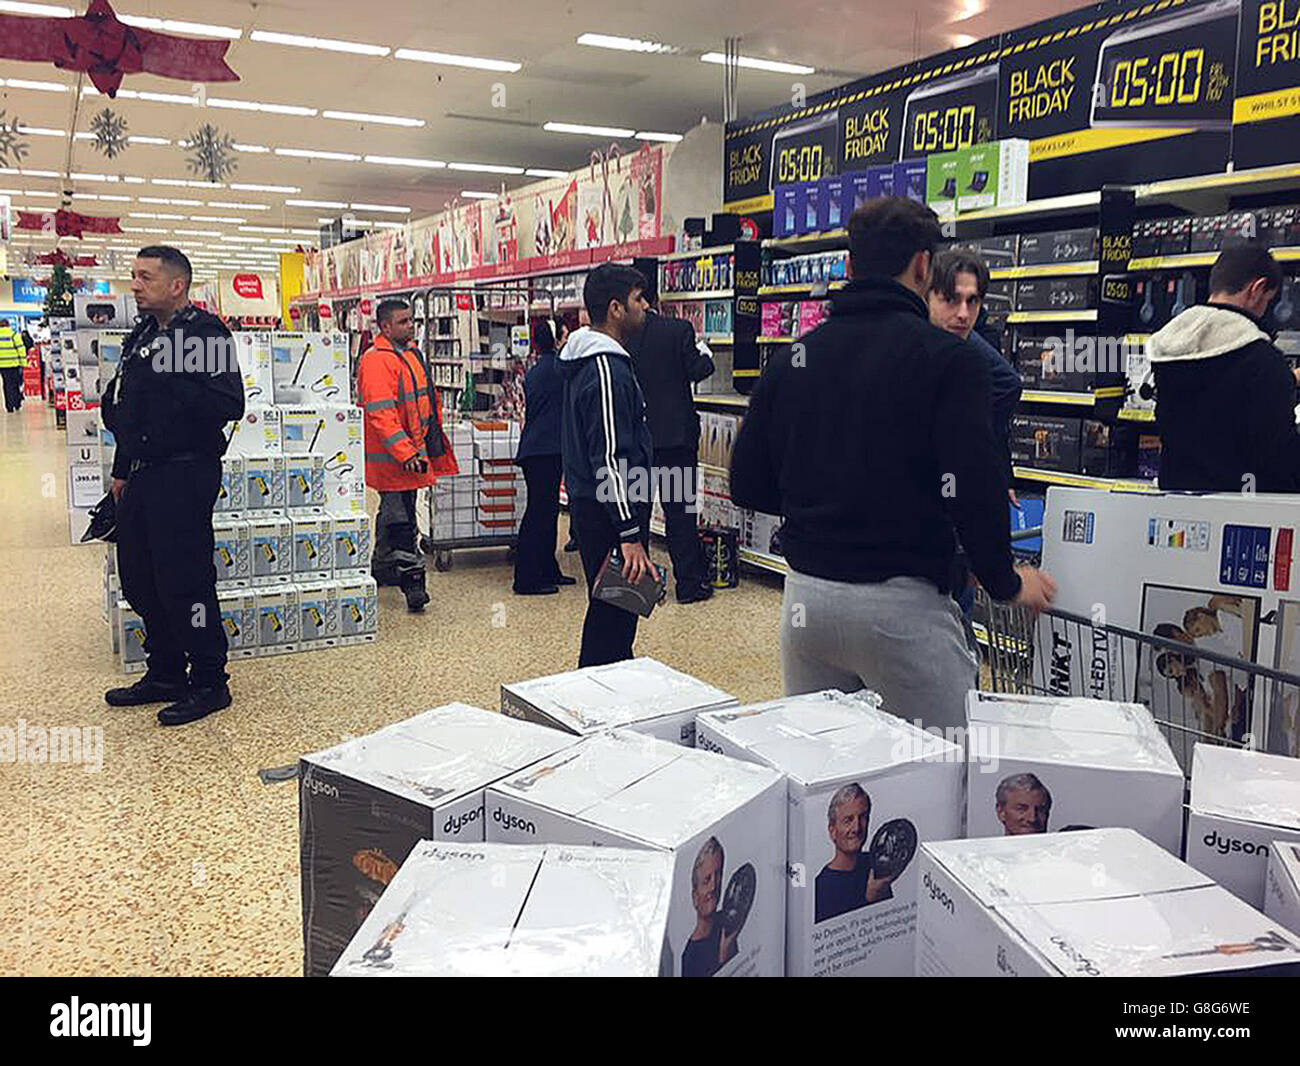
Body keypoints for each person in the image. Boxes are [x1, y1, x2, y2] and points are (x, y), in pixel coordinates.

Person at [729, 197, 1055, 730]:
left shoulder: (793, 359)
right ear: (925, 266)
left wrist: (820, 505)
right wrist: (1005, 579)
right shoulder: (949, 361)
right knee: (947, 771)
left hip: (807, 602)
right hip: (904, 608)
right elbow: (974, 486)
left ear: (849, 268)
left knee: (828, 782)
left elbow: (747, 482)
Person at [100, 246, 245, 726]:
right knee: (140, 578)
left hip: (185, 473)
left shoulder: (204, 334)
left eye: (145, 277)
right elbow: (129, 409)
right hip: (141, 473)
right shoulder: (141, 334)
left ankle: (208, 680)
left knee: (186, 583)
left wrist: (173, 372)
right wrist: (122, 470)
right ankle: (164, 671)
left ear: (176, 284)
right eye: (134, 276)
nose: (135, 286)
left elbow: (229, 403)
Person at [560, 263, 656, 667]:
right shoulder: (605, 371)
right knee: (611, 618)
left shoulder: (597, 362)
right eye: (639, 299)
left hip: (602, 508)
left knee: (616, 614)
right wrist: (629, 533)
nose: (646, 306)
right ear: (616, 308)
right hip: (612, 514)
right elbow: (611, 459)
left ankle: (610, 692)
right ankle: (593, 701)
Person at [1150, 244, 1300, 491]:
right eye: (1268, 301)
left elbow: (1218, 390)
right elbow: (1279, 459)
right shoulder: (1262, 358)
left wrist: (1288, 379)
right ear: (1257, 289)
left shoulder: (1169, 351)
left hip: (1177, 502)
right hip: (1243, 509)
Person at [357, 298, 458, 612]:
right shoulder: (375, 361)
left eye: (411, 320)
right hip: (394, 460)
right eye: (402, 322)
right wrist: (405, 452)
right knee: (401, 520)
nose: (410, 326)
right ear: (385, 326)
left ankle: (383, 567)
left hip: (411, 456)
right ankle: (413, 582)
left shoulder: (411, 355)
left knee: (394, 513)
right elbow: (381, 413)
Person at [625, 286, 716, 603]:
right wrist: (705, 351)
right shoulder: (679, 330)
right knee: (680, 516)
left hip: (639, 442)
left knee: (638, 515)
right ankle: (689, 586)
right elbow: (699, 369)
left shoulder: (623, 338)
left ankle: (638, 589)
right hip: (676, 441)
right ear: (655, 302)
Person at [927, 248, 1021, 493]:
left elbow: (1007, 386)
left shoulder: (975, 347)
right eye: (951, 299)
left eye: (973, 301)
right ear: (926, 295)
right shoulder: (908, 344)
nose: (963, 314)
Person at [512, 318, 576, 595]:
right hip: (546, 450)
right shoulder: (561, 370)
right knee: (539, 514)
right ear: (558, 339)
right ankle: (526, 578)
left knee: (546, 512)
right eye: (565, 334)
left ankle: (548, 569)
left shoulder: (537, 370)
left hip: (536, 448)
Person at [814, 783, 897, 922]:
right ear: (832, 831)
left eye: (863, 817)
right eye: (848, 820)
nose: (857, 828)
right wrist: (871, 898)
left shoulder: (875, 864)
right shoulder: (822, 887)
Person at [680, 837, 738, 977]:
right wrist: (723, 958)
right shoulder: (690, 956)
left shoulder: (726, 922)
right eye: (707, 880)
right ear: (695, 896)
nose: (713, 886)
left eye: (718, 876)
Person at [0, 317, 26, 412]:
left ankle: (9, 406)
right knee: (15, 384)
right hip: (13, 364)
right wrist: (24, 363)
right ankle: (16, 403)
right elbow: (21, 349)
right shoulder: (14, 335)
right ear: (8, 325)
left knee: (6, 384)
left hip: (2, 365)